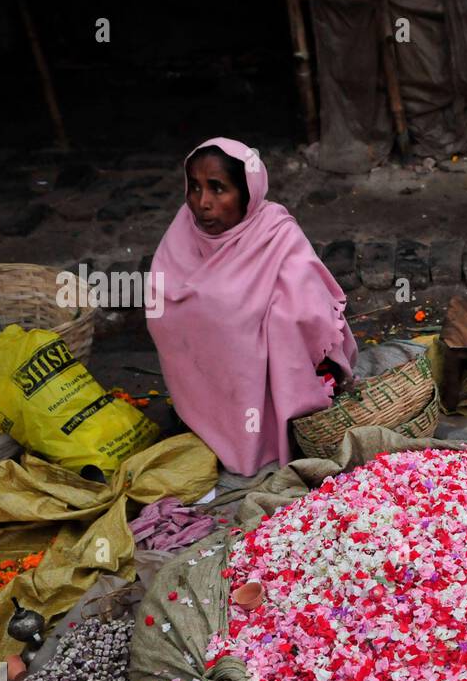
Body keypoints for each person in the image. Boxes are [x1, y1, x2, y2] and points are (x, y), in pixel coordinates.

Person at [146, 137, 357, 476]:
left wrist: (252, 316)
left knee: (282, 320)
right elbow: (163, 298)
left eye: (218, 189)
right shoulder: (183, 231)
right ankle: (212, 422)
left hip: (299, 366)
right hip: (214, 378)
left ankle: (274, 426)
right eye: (195, 188)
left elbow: (310, 308)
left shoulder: (276, 233)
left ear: (248, 191)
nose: (203, 203)